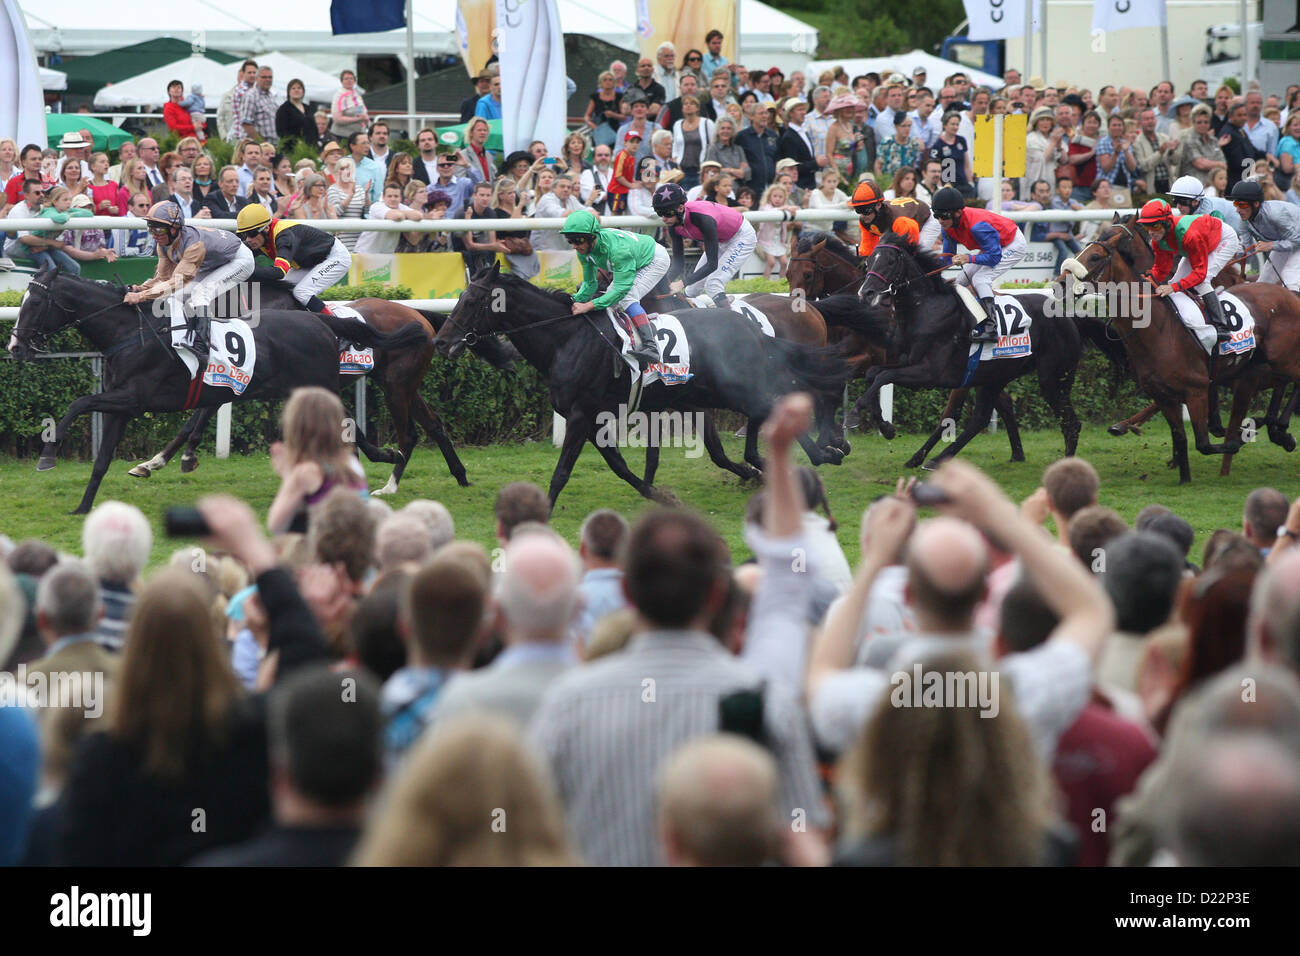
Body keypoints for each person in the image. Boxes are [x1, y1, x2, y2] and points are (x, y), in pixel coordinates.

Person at [123, 201, 256, 363]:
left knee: (200, 294)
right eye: (151, 228)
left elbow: (176, 282)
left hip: (239, 260)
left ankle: (203, 346)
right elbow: (163, 278)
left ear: (174, 229)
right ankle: (182, 339)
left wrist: (142, 296)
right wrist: (140, 288)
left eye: (158, 229)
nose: (154, 234)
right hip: (212, 261)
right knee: (175, 297)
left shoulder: (194, 246)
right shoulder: (163, 244)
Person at [561, 207, 669, 365]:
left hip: (654, 260)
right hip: (634, 258)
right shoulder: (583, 250)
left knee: (626, 297)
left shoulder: (618, 251)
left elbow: (621, 289)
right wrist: (574, 300)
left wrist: (589, 305)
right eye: (570, 241)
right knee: (609, 297)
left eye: (578, 240)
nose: (575, 246)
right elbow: (590, 284)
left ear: (592, 237)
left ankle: (651, 347)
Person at [1136, 197, 1242, 340]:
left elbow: (1200, 274)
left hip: (1223, 239)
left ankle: (1222, 326)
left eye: (1155, 226)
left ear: (1167, 222)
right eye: (1146, 227)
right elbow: (1161, 270)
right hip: (1199, 243)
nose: (1151, 232)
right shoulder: (1158, 241)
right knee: (1175, 281)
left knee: (1201, 282)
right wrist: (1147, 283)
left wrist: (1173, 287)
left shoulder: (1189, 235)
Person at [267, 387, 369, 535]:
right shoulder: (352, 463)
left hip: (327, 551)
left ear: (296, 428)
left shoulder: (308, 471)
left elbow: (276, 525)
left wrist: (288, 476)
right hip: (359, 547)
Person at [932, 186, 1027, 343]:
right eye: (936, 215)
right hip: (993, 247)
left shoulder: (978, 226)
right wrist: (929, 269)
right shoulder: (947, 227)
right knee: (961, 280)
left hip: (1012, 244)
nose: (940, 220)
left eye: (943, 215)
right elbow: (947, 259)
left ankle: (992, 327)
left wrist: (968, 259)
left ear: (957, 213)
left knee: (980, 279)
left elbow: (994, 257)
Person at [234, 204, 352, 318]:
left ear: (266, 228)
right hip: (309, 262)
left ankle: (336, 327)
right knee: (283, 290)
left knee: (302, 293)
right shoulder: (260, 238)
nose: (249, 239)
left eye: (252, 233)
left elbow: (279, 272)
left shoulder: (284, 236)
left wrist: (245, 270)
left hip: (334, 256)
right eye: (244, 234)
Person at [654, 182, 755, 310]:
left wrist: (681, 283)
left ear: (680, 208)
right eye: (659, 213)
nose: (664, 219)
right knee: (691, 289)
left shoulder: (703, 219)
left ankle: (732, 321)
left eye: (667, 213)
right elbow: (678, 264)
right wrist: (663, 284)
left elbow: (712, 265)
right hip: (722, 238)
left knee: (713, 284)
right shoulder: (673, 225)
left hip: (742, 236)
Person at [1229, 179, 1300, 292]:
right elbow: (1248, 253)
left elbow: (1297, 240)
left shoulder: (1276, 215)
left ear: (1256, 204)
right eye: (1236, 204)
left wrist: (1271, 245)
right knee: (1263, 281)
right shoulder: (1244, 221)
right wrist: (1233, 256)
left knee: (1290, 278)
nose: (1237, 210)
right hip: (1287, 240)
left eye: (1241, 205)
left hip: (1297, 240)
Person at [849, 179, 941, 260]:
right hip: (909, 217)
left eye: (866, 210)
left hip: (928, 218)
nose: (863, 215)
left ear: (878, 205)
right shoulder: (864, 221)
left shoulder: (898, 221)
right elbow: (868, 251)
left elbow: (910, 249)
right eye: (858, 210)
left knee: (914, 258)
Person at [1167, 174, 1248, 245]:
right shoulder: (1194, 207)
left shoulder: (1210, 212)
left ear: (1195, 201)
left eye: (1182, 202)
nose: (1178, 206)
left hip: (1243, 231)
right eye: (1175, 201)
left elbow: (1216, 239)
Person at [330, 69, 369, 141]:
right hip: (341, 136)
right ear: (342, 81)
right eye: (346, 79)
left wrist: (365, 118)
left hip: (357, 135)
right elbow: (337, 119)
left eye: (351, 78)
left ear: (354, 81)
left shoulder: (356, 95)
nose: (349, 81)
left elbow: (359, 112)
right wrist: (358, 119)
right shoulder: (339, 95)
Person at [276, 78, 313, 150]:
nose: (296, 90)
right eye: (293, 88)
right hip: (291, 149)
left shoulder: (308, 108)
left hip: (309, 147)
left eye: (299, 88)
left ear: (303, 91)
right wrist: (295, 143)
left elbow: (313, 128)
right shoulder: (284, 109)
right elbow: (281, 131)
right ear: (288, 92)